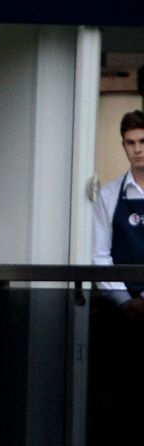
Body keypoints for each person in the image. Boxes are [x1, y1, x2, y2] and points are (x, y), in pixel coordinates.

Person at [92, 109, 144, 312]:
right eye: (130, 143)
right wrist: (123, 300)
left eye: (142, 141)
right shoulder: (108, 194)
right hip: (121, 308)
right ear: (123, 146)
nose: (137, 149)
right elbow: (99, 255)